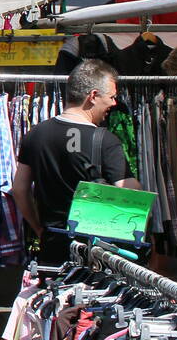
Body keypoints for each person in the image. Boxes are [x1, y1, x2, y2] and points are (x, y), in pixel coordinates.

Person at [12, 59, 142, 265]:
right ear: (93, 96)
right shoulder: (106, 141)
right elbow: (129, 193)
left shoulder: (35, 135)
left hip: (52, 245)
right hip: (97, 253)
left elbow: (19, 189)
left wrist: (39, 229)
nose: (114, 103)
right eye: (112, 97)